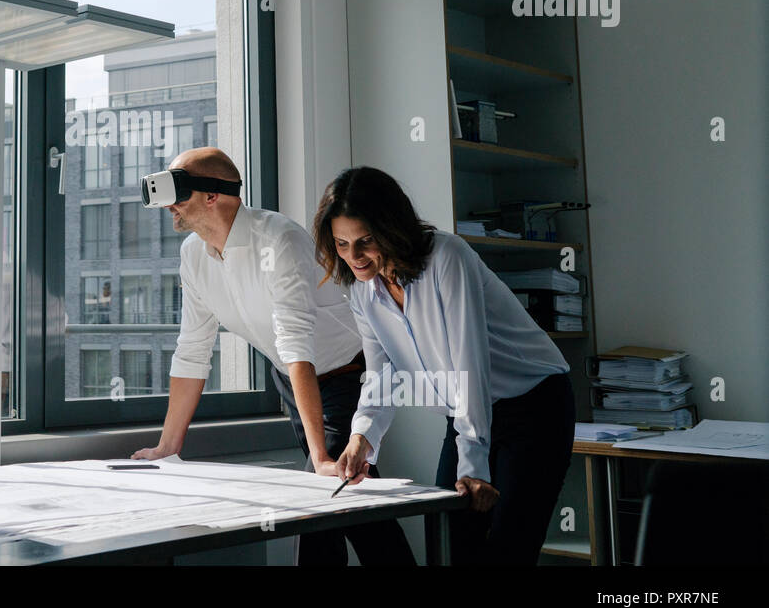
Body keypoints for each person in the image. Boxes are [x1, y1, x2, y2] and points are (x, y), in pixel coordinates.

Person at [131, 147, 416, 566]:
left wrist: (319, 455)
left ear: (214, 195)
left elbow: (296, 341)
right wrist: (167, 447)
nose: (169, 204)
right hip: (293, 380)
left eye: (179, 190)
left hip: (345, 373)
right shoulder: (193, 255)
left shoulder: (277, 238)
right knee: (349, 504)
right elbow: (193, 347)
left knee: (321, 497)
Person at [314, 166, 575, 566]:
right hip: (465, 411)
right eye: (342, 244)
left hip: (533, 405)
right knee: (450, 543)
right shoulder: (364, 292)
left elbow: (469, 362)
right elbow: (382, 373)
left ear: (390, 228)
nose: (354, 257)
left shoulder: (447, 257)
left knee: (508, 551)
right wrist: (360, 437)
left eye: (365, 241)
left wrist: (474, 467)